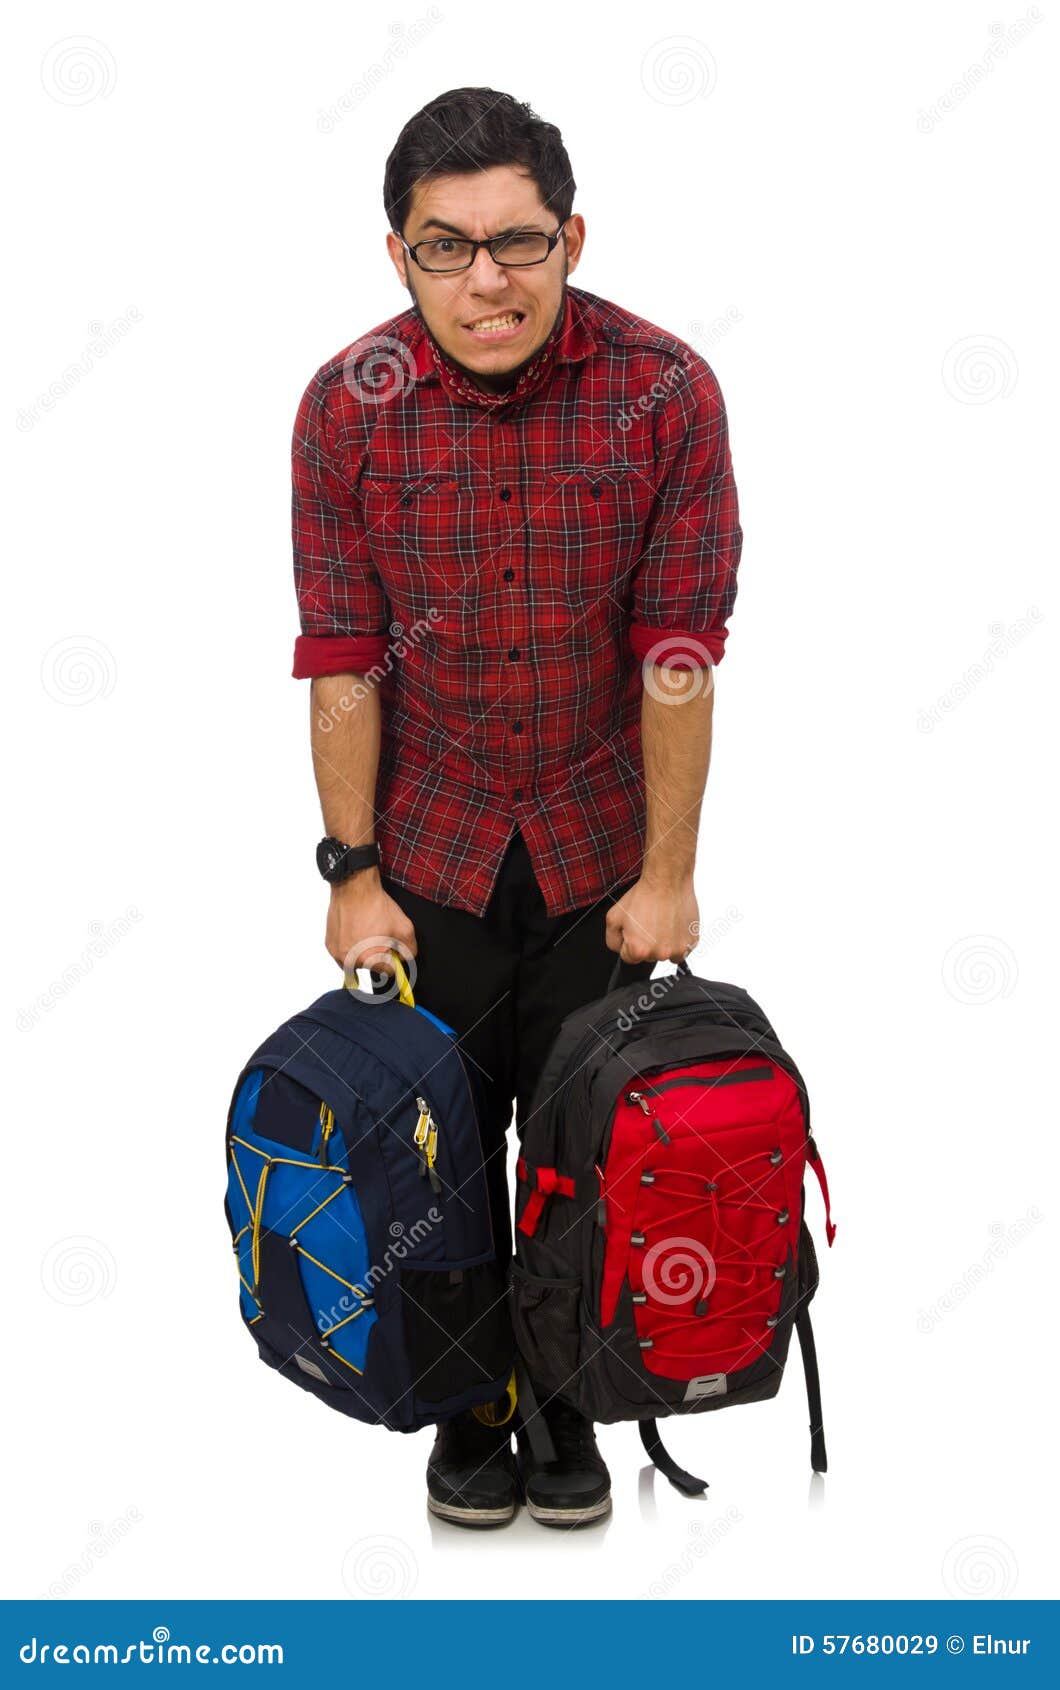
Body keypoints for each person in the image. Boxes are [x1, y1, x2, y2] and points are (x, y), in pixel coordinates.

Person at [290, 86, 743, 1527]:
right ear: (399, 255)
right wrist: (353, 870)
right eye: (448, 247)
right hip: (429, 855)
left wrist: (670, 872)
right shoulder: (343, 412)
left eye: (518, 242)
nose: (488, 279)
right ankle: (472, 1397)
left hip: (600, 849)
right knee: (439, 1146)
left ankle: (561, 1399)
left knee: (580, 1142)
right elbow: (343, 658)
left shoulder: (665, 393)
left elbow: (677, 649)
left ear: (570, 238)